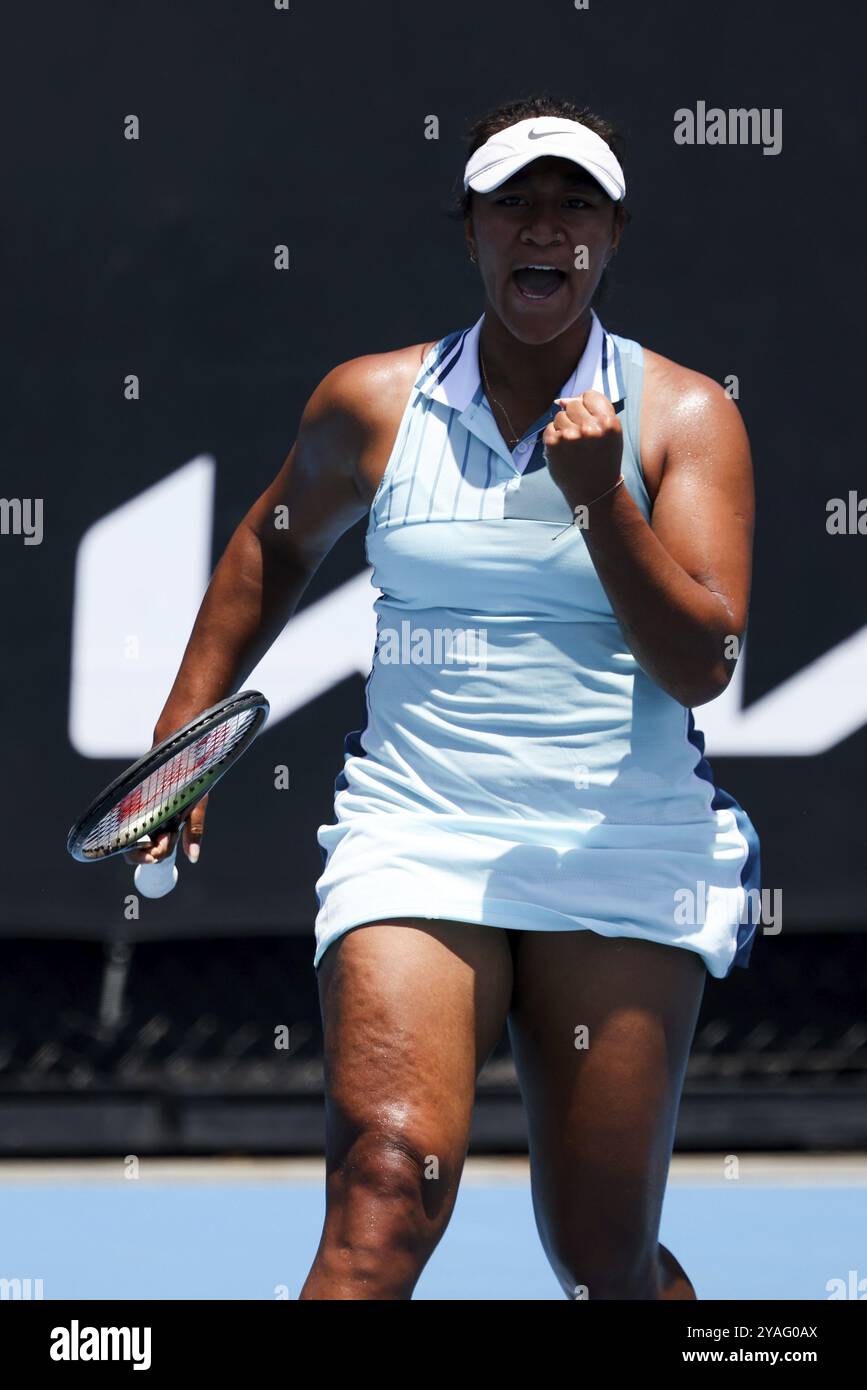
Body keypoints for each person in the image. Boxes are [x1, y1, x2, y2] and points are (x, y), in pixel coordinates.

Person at [126, 94, 760, 1300]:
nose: (545, 226)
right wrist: (182, 737)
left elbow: (702, 665)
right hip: (415, 837)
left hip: (619, 847)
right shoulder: (370, 404)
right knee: (383, 1192)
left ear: (614, 236)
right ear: (465, 226)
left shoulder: (684, 419)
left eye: (576, 202)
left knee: (601, 1259)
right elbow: (272, 548)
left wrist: (598, 499)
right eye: (515, 201)